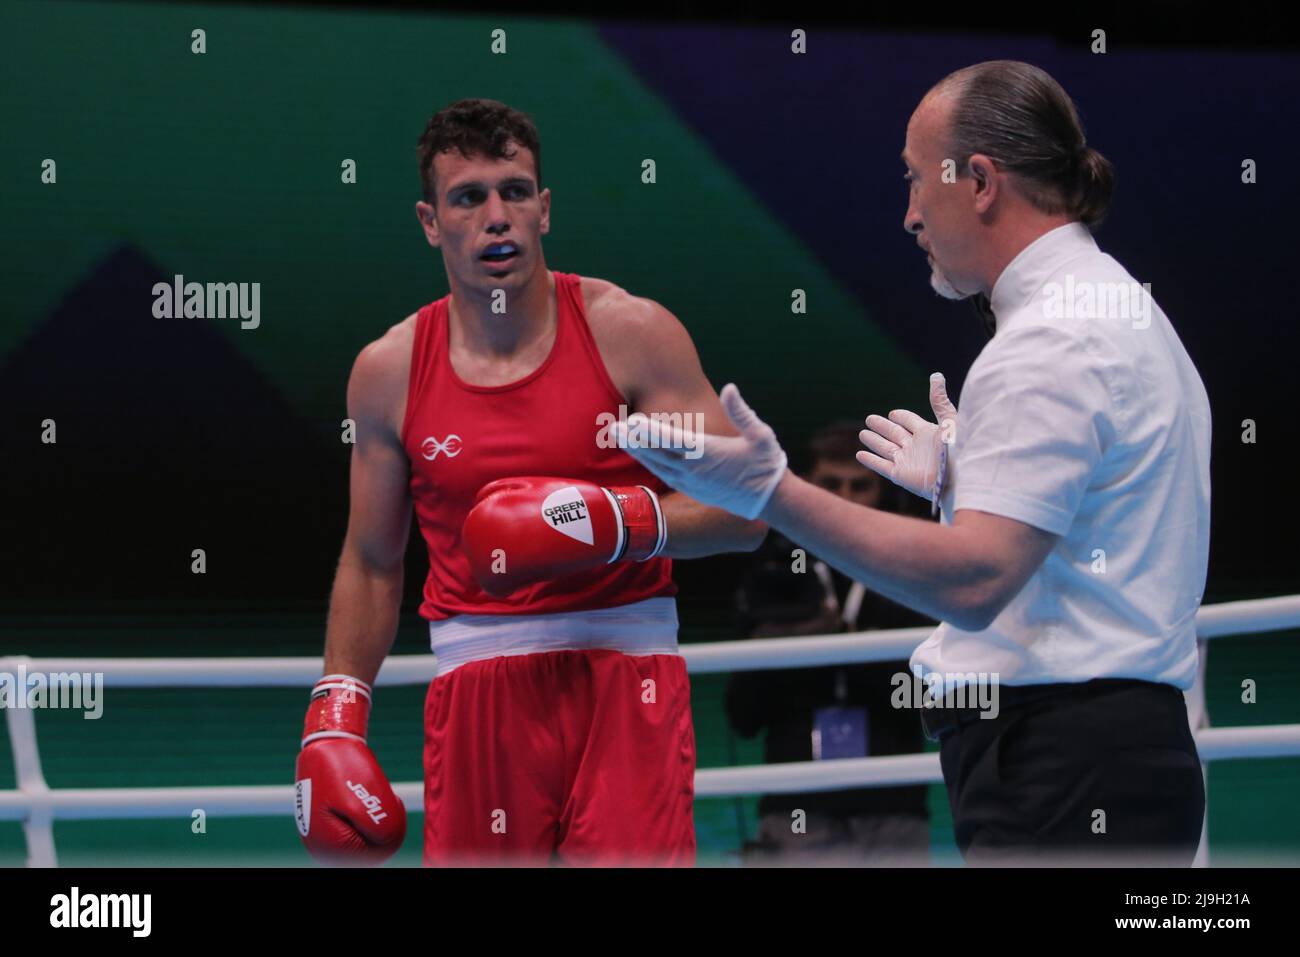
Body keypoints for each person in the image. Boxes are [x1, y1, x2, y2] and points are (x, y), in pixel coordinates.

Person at [620, 61, 1212, 866]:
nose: (907, 216)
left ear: (979, 182)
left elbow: (974, 582)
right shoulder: (1115, 308)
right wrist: (968, 479)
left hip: (1063, 771)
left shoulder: (1048, 342)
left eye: (913, 180)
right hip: (1103, 763)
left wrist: (772, 491)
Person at [293, 98, 767, 867]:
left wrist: (612, 520)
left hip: (627, 674)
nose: (496, 216)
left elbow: (748, 504)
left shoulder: (632, 332)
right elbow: (372, 560)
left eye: (515, 191)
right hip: (479, 689)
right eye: (468, 196)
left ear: (544, 210)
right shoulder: (387, 372)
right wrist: (338, 708)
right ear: (429, 219)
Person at [726, 422, 932, 866]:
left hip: (893, 804)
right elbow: (740, 714)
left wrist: (836, 637)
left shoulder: (913, 568)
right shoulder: (772, 574)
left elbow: (927, 698)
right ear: (808, 488)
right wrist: (785, 642)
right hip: (795, 805)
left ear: (887, 494)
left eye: (861, 486)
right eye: (831, 485)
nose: (847, 498)